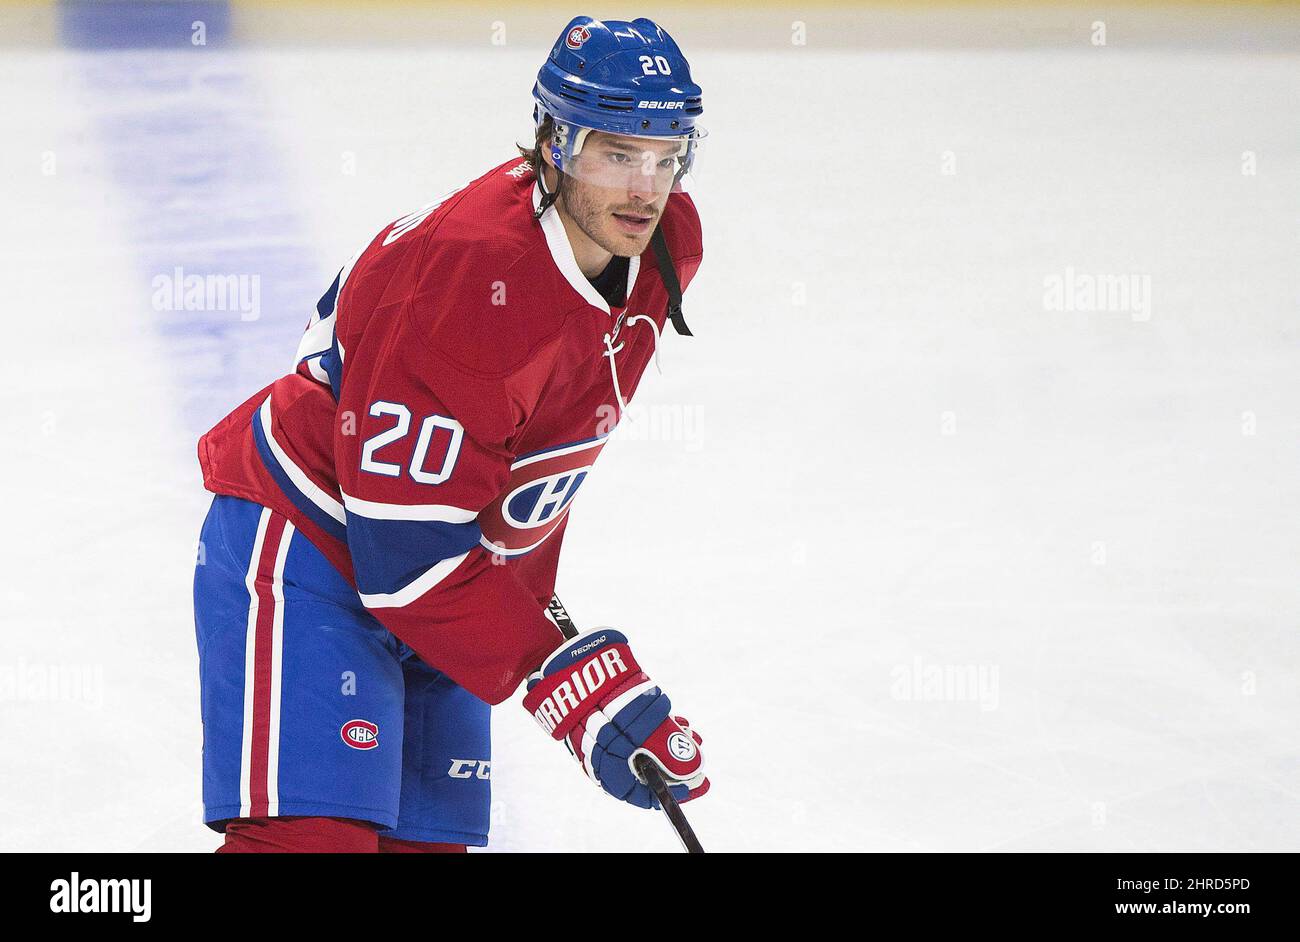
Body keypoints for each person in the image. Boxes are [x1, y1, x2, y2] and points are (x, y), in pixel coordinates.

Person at [192, 15, 710, 852]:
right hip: (316, 546)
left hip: (456, 572)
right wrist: (563, 677)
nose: (646, 189)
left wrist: (539, 632)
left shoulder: (665, 249)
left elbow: (526, 450)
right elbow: (402, 553)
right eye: (617, 153)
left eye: (665, 154)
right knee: (314, 845)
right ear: (555, 144)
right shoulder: (470, 285)